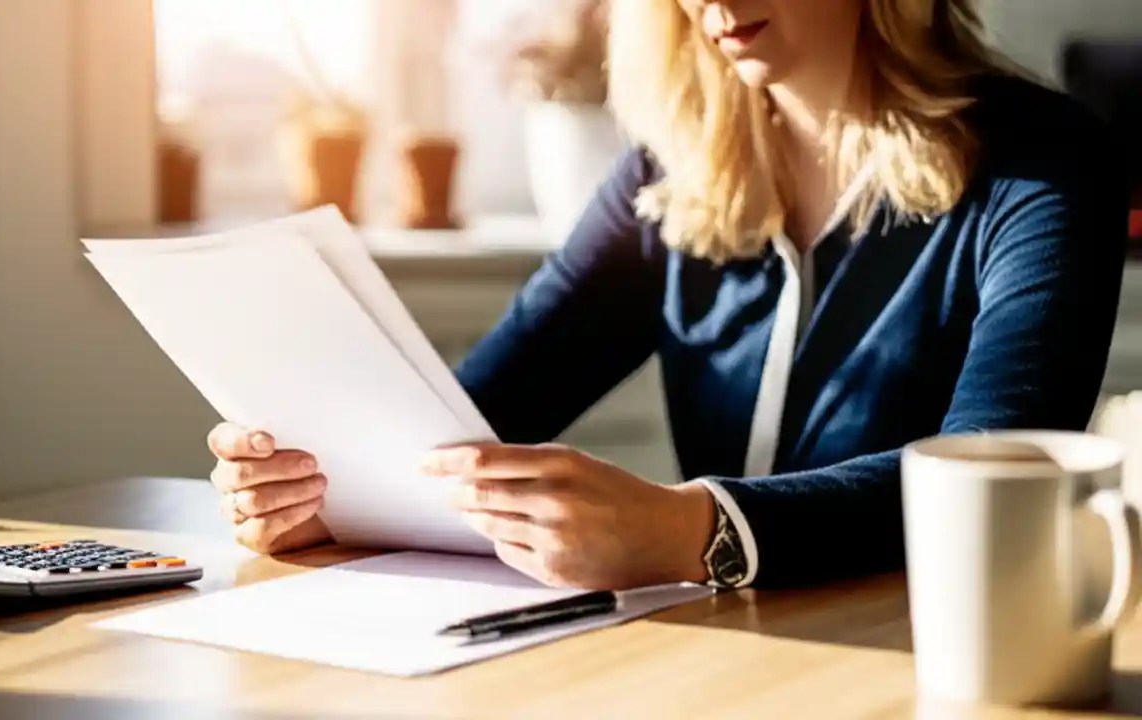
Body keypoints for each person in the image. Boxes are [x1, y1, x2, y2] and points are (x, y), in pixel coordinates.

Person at [206, 0, 1129, 589]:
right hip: (724, 660)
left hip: (927, 660)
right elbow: (471, 420)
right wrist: (329, 490)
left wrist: (698, 529)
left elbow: (992, 472)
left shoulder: (1044, 165)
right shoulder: (671, 173)